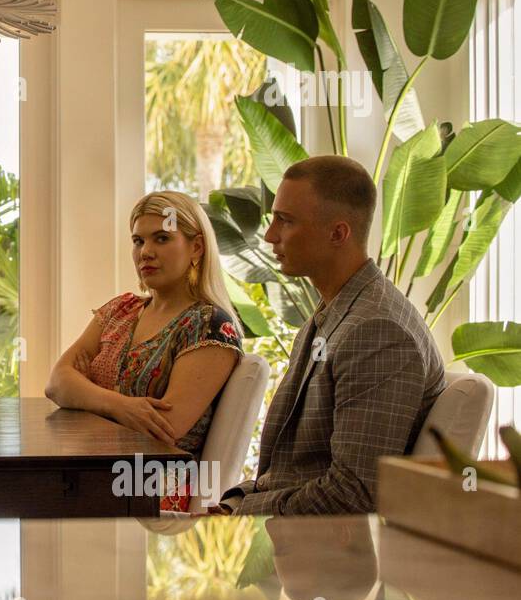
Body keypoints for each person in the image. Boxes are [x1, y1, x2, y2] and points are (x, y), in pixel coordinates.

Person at [212, 155, 445, 515]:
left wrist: (244, 511)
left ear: (338, 233)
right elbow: (290, 472)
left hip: (325, 556)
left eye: (285, 221)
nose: (271, 235)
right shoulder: (333, 314)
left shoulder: (378, 332)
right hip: (290, 534)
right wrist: (236, 500)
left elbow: (353, 492)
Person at [46, 191, 243, 509]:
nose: (146, 252)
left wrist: (85, 395)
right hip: (97, 469)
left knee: (29, 494)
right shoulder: (119, 309)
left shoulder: (209, 324)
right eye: (138, 241)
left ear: (196, 247)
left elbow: (164, 430)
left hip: (153, 484)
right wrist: (121, 406)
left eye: (162, 239)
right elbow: (57, 383)